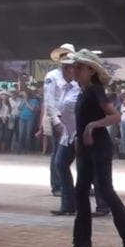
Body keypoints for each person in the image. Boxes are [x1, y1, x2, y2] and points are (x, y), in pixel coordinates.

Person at [61, 49, 125, 247]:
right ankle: (81, 243)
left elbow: (115, 116)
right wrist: (80, 138)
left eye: (79, 67)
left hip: (100, 146)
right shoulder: (83, 91)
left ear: (91, 71)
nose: (74, 70)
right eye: (74, 66)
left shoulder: (96, 91)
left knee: (105, 190)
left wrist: (92, 126)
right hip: (85, 148)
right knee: (81, 192)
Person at [49, 54, 81, 216]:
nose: (64, 70)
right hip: (67, 133)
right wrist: (57, 121)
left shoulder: (82, 88)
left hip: (80, 133)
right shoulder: (66, 88)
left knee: (89, 170)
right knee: (60, 163)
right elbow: (55, 106)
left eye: (68, 67)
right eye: (63, 67)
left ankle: (104, 204)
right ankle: (68, 204)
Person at [43, 43, 75, 196]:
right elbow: (49, 101)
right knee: (58, 152)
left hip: (73, 118)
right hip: (59, 117)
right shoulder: (52, 76)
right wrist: (56, 121)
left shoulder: (75, 76)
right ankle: (57, 185)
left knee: (75, 152)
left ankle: (78, 185)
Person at [17, 89, 39, 154]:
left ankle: (26, 149)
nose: (24, 95)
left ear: (28, 94)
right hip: (22, 118)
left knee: (27, 134)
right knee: (21, 133)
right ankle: (20, 149)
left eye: (25, 94)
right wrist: (23, 101)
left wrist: (26, 101)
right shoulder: (22, 100)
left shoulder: (34, 101)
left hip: (30, 118)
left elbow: (32, 109)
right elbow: (19, 108)